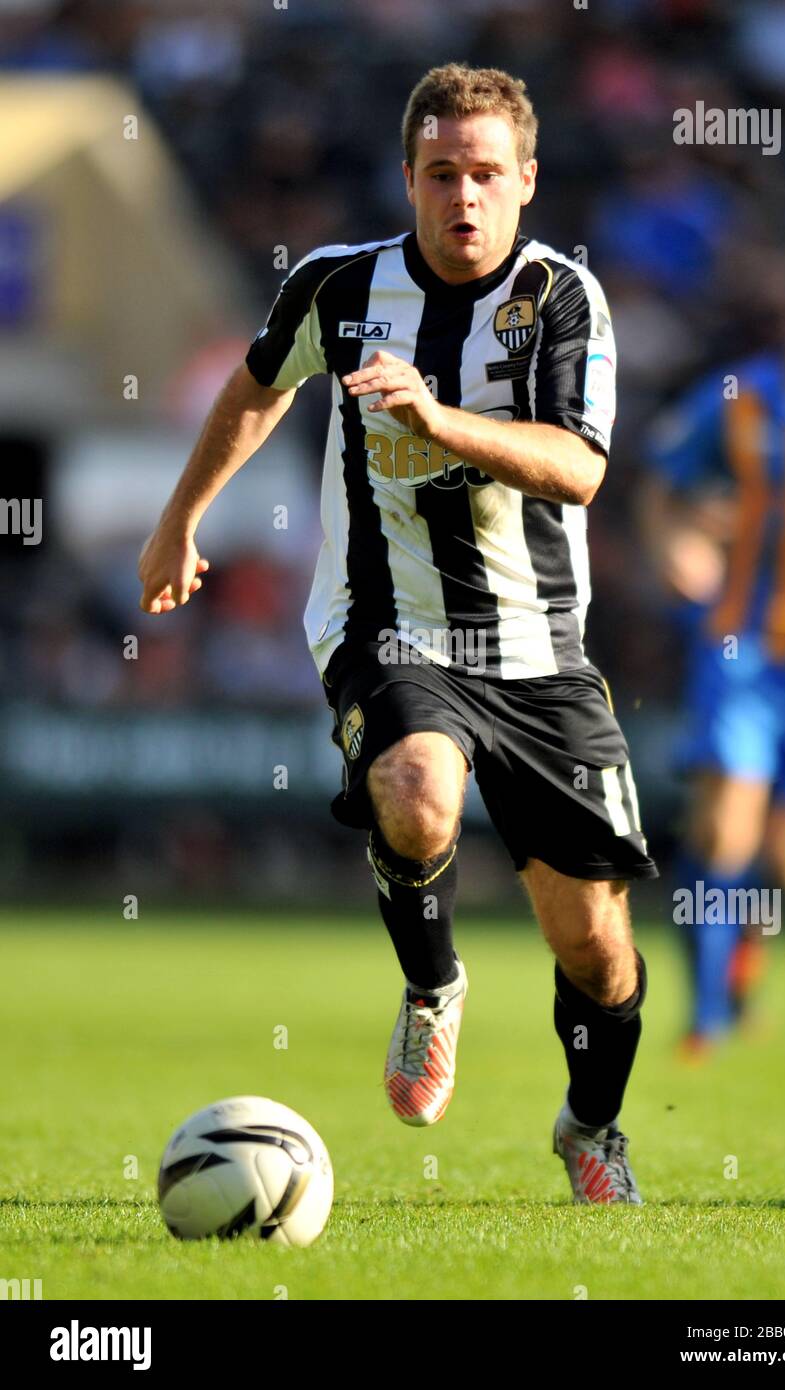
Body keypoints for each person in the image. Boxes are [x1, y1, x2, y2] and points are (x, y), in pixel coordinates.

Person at [139, 63, 657, 1204]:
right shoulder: (337, 286)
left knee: (593, 945)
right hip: (388, 625)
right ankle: (432, 987)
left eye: (485, 174)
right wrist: (180, 521)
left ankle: (590, 1126)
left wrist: (437, 418)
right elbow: (258, 387)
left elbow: (577, 469)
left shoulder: (561, 297)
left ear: (526, 179)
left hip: (539, 650)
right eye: (440, 172)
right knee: (416, 789)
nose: (462, 195)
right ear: (407, 176)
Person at [642, 238, 785, 1054]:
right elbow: (662, 486)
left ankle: (742, 943)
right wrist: (675, 546)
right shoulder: (739, 397)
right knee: (722, 835)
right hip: (739, 651)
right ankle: (705, 1016)